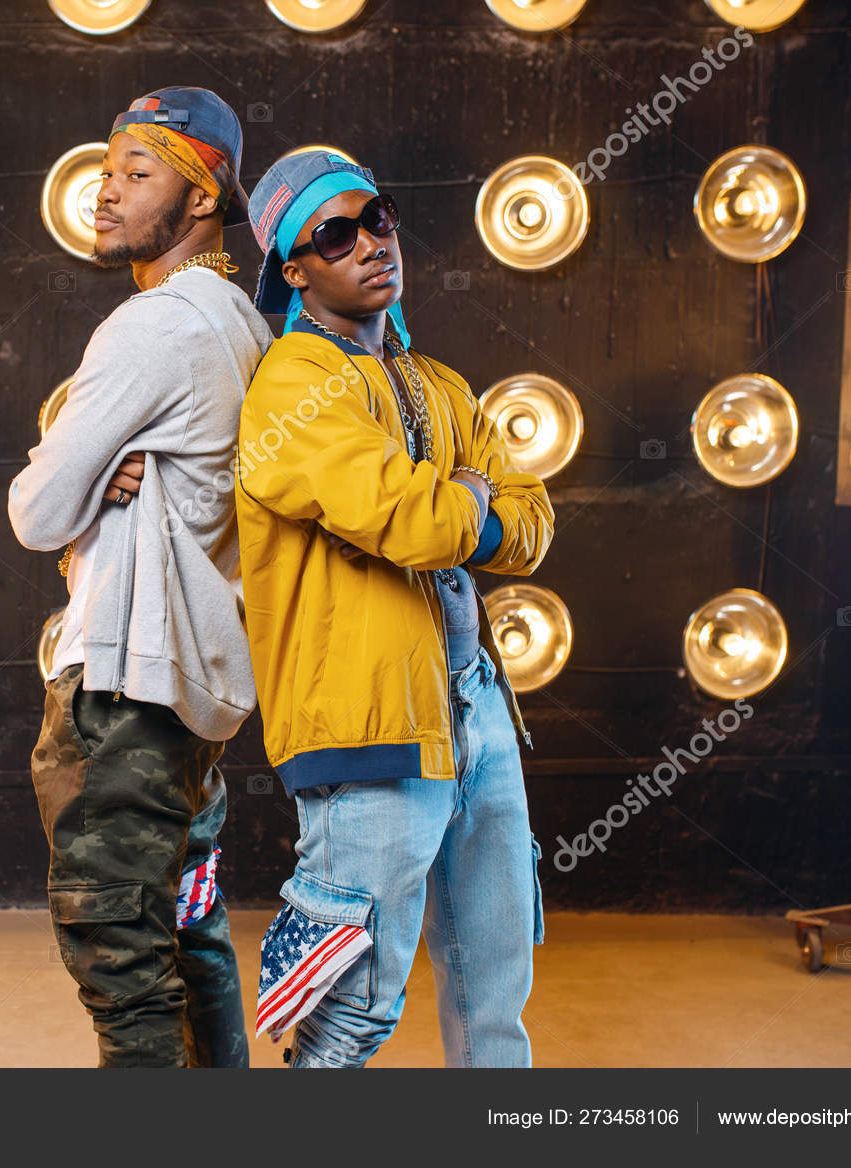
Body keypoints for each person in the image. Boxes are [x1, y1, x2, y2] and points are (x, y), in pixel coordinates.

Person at [235, 148, 556, 1067]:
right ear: (296, 271)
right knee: (353, 1012)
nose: (371, 243)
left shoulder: (441, 385)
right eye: (335, 236)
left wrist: (462, 509)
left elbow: (533, 520)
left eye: (377, 217)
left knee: (495, 997)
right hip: (369, 723)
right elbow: (417, 522)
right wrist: (465, 501)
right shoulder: (292, 386)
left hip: (475, 705)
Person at [8, 86, 272, 1068]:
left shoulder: (151, 327)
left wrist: (72, 471)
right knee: (188, 932)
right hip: (197, 692)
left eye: (139, 171)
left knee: (119, 952)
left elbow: (36, 510)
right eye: (106, 168)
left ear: (203, 197)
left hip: (124, 687)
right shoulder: (245, 325)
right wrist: (94, 470)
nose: (107, 190)